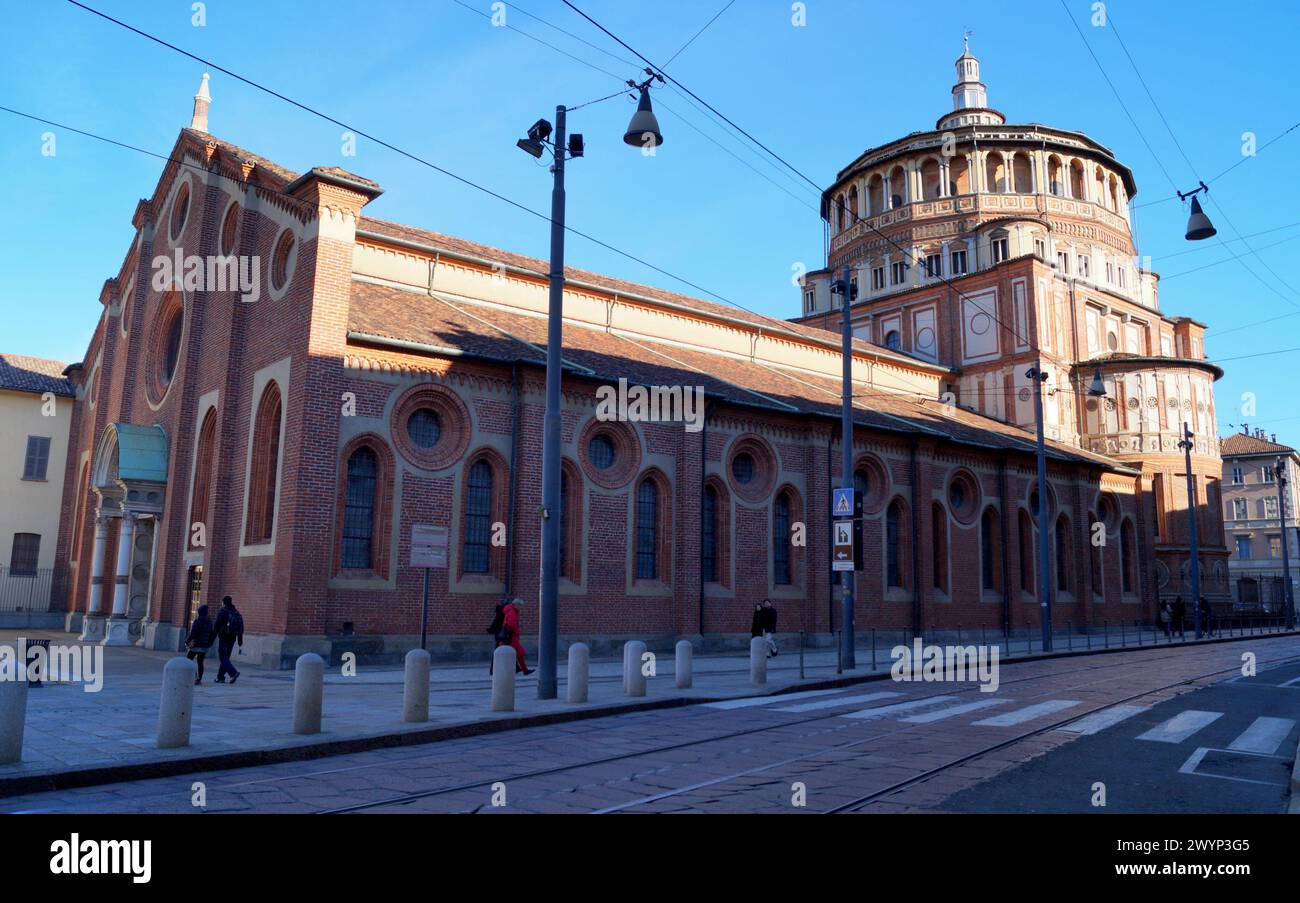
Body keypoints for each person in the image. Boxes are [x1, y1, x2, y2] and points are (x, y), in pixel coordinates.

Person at [213, 595, 244, 684]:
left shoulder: (222, 612)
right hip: (233, 638)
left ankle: (233, 673)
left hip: (224, 637)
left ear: (224, 602)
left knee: (223, 657)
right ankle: (220, 677)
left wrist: (212, 638)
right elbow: (241, 626)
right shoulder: (236, 612)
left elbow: (217, 626)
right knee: (226, 657)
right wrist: (240, 639)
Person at [501, 597, 533, 675]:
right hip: (512, 637)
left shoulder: (510, 611)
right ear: (516, 605)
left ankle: (522, 670)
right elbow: (511, 624)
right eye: (520, 605)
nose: (521, 608)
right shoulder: (512, 612)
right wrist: (517, 630)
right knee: (520, 653)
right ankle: (524, 670)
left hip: (510, 636)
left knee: (516, 654)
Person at [185, 604, 215, 685]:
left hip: (196, 644)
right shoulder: (209, 622)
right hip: (204, 645)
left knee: (188, 660)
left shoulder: (197, 621)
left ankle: (194, 676)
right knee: (200, 662)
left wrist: (187, 641)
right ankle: (199, 679)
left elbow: (193, 634)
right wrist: (209, 643)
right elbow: (212, 634)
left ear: (199, 613)